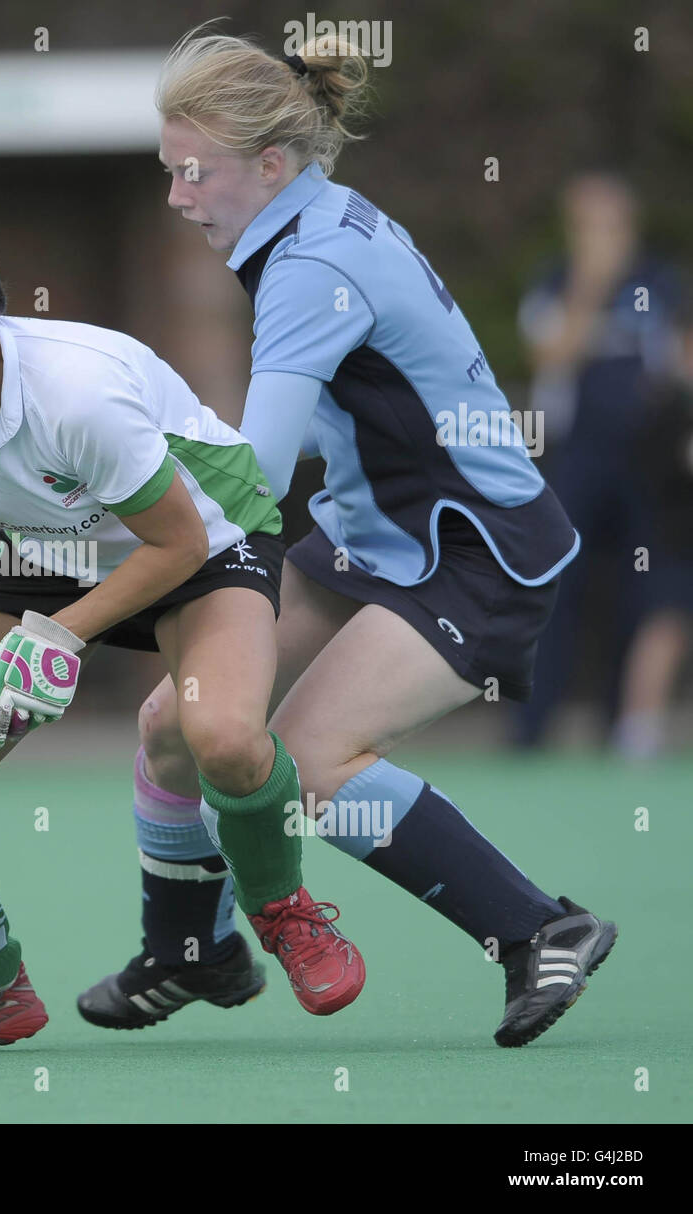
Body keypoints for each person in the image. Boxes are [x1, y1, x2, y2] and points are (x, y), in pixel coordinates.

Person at [76, 26, 617, 1048]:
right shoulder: (306, 223)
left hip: (473, 549)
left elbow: (252, 481)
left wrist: (90, 578)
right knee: (174, 722)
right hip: (371, 534)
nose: (175, 195)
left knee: (312, 761)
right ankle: (193, 950)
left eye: (193, 172)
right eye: (167, 170)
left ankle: (537, 926)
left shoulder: (309, 267)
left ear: (269, 164)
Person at [0, 198, 366, 1054]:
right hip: (56, 550)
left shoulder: (76, 391)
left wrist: (62, 634)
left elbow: (176, 540)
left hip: (204, 539)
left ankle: (281, 909)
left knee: (222, 735)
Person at [515, 172, 692, 754]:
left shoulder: (659, 284)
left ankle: (625, 726)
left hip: (648, 464)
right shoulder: (557, 281)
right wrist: (592, 283)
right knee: (559, 585)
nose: (599, 233)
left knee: (643, 589)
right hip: (576, 458)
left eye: (608, 222)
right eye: (586, 223)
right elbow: (551, 352)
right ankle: (532, 732)